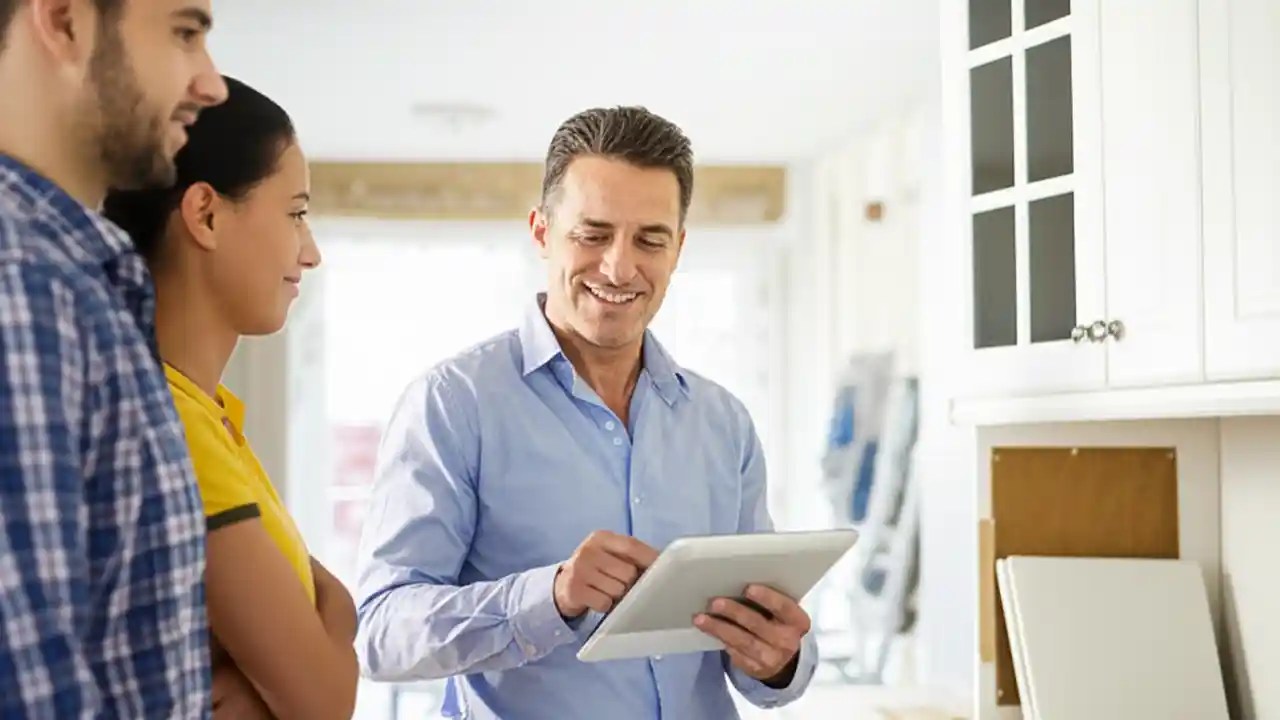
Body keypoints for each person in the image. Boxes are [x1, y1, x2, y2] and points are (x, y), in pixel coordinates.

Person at [355, 106, 818, 719]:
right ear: (542, 232)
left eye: (650, 240)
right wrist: (549, 597)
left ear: (677, 249)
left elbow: (763, 649)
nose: (620, 268)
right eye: (592, 234)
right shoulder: (453, 403)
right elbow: (382, 634)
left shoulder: (722, 422)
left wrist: (779, 656)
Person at [102, 75, 358, 720]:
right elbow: (325, 701)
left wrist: (333, 620)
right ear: (206, 214)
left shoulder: (207, 417)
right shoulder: (171, 421)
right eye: (296, 213)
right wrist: (329, 621)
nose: (311, 251)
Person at [0, 0, 227, 716]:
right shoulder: (21, 280)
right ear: (65, 21)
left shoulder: (74, 280)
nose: (211, 82)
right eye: (185, 34)